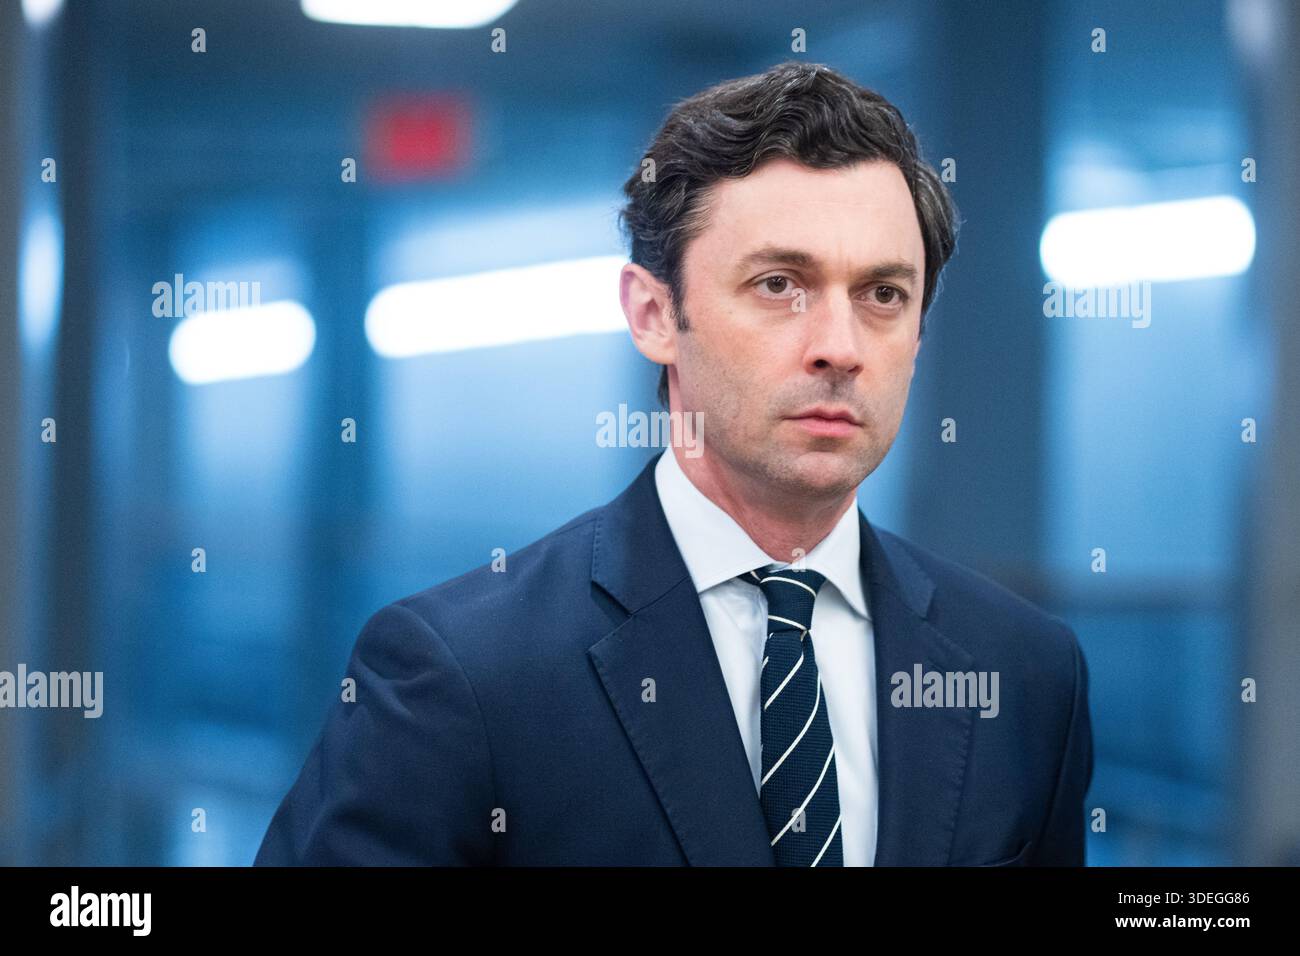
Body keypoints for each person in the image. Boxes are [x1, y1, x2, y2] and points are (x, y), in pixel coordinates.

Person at [254, 60, 1093, 867]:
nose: (839, 347)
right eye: (778, 285)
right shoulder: (463, 673)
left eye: (883, 295)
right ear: (654, 314)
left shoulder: (1021, 673)